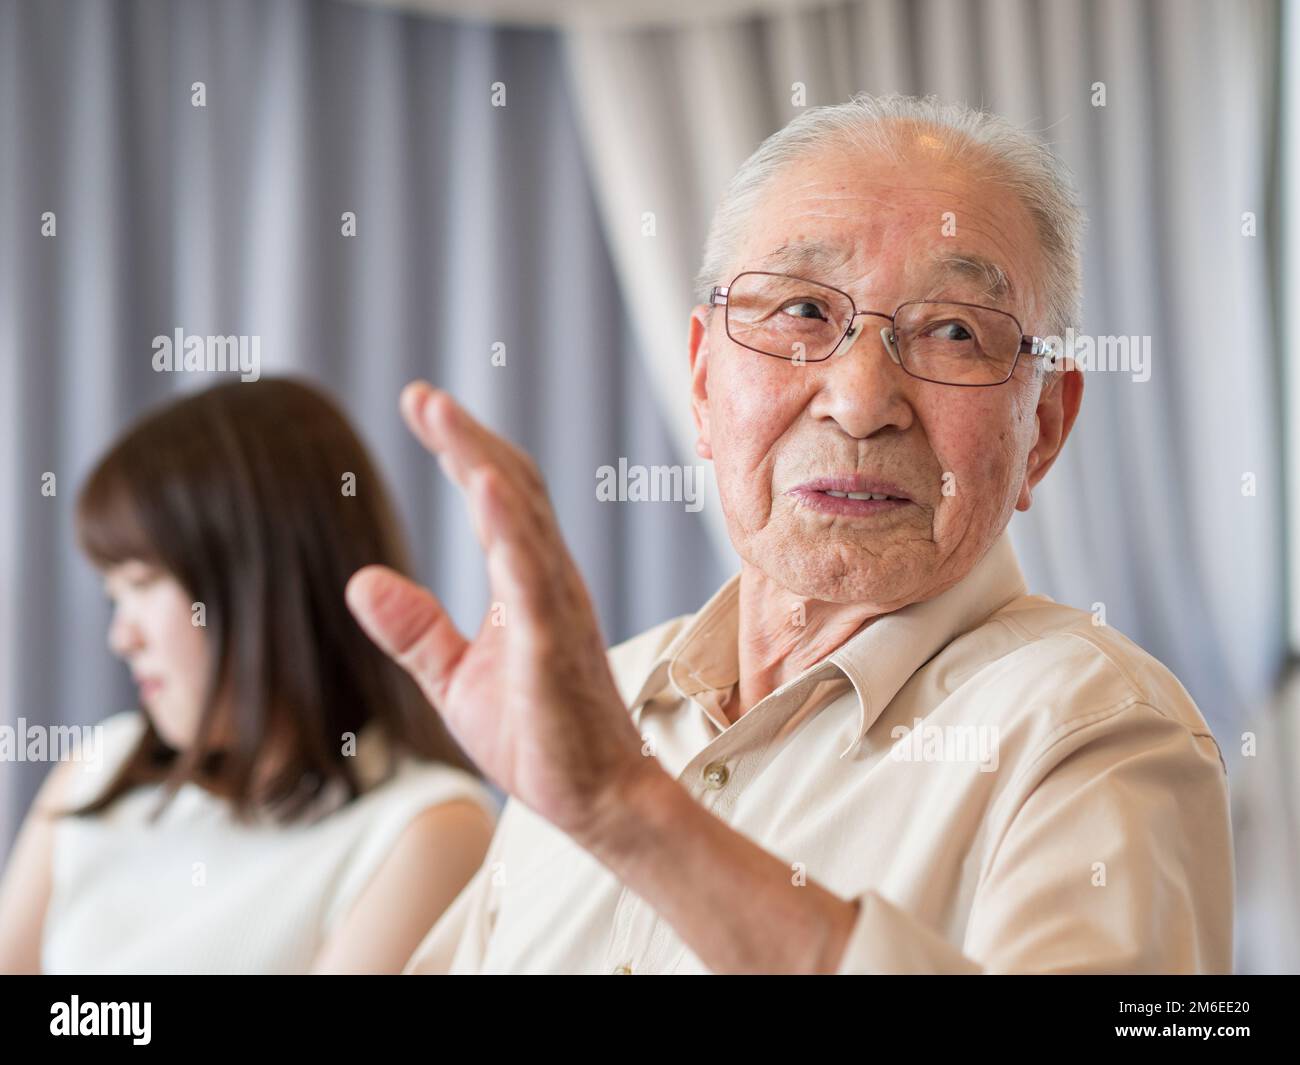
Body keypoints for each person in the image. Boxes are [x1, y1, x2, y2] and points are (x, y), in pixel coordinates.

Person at [346, 93, 1233, 974]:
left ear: (1043, 427)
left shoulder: (1098, 731)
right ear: (701, 383)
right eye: (803, 312)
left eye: (954, 330)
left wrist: (627, 807)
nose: (860, 400)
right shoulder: (600, 699)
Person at [0, 377, 498, 974]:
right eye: (115, 595)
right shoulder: (99, 767)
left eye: (140, 585)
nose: (121, 637)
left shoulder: (425, 828)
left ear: (260, 585)